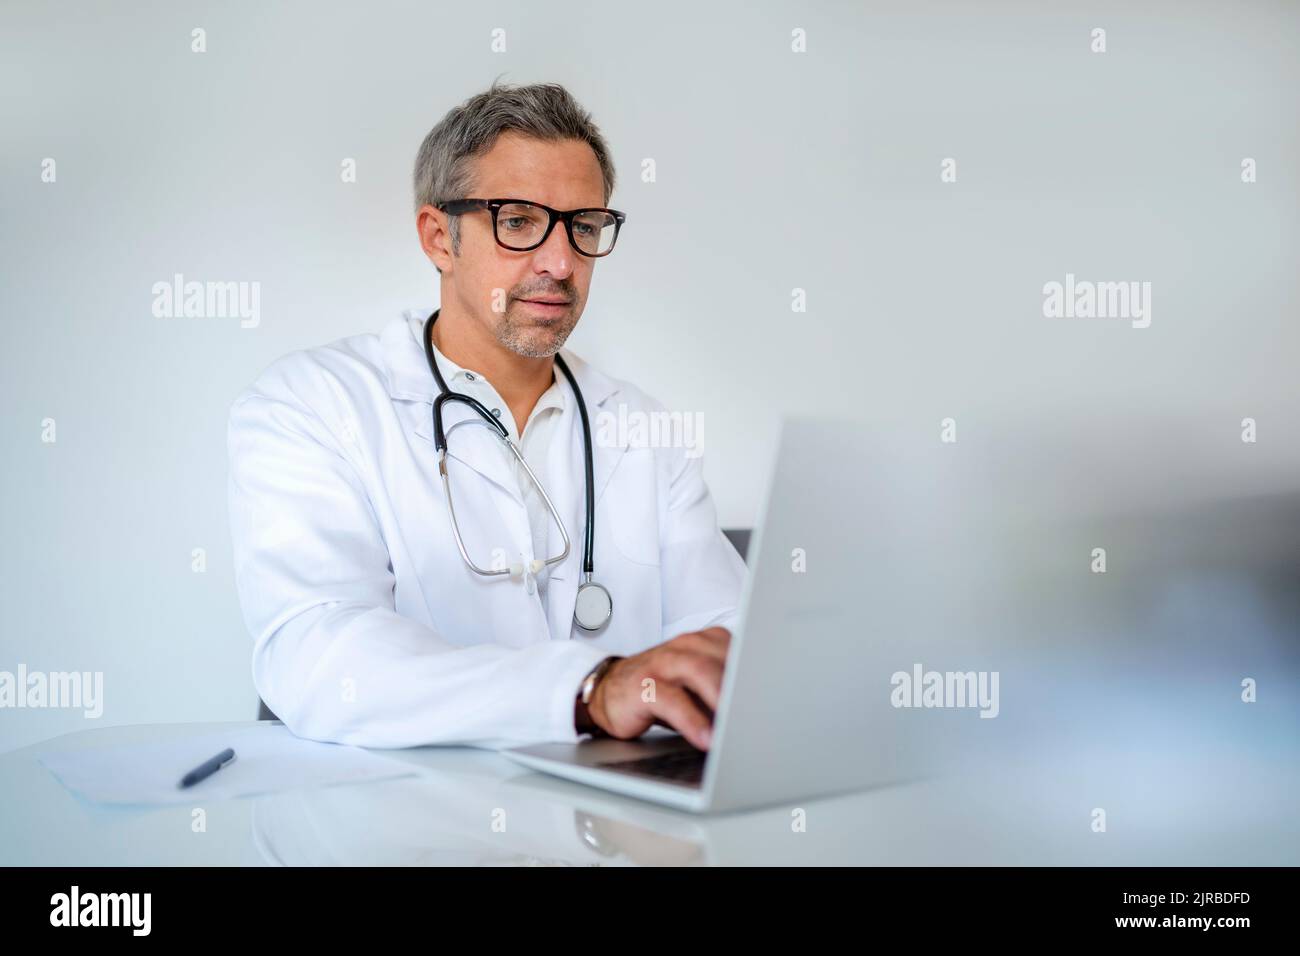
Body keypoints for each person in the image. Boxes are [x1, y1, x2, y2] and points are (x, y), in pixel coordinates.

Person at [226, 80, 745, 751]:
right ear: (439, 238)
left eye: (584, 226)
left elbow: (727, 646)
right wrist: (587, 692)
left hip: (617, 835)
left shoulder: (644, 430)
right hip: (404, 835)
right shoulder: (311, 406)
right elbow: (318, 656)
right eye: (520, 221)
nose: (561, 263)